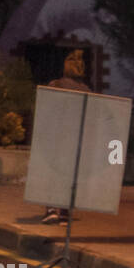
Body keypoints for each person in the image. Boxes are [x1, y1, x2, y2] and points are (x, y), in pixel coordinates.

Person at [41, 51, 90, 225]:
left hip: (66, 138)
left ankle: (57, 210)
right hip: (68, 139)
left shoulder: (66, 86)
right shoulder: (77, 88)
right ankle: (59, 211)